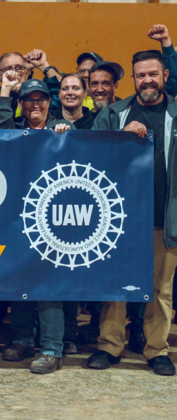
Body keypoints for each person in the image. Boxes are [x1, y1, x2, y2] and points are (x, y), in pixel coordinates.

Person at [88, 49, 177, 376]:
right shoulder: (115, 114)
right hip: (117, 219)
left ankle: (157, 350)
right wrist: (117, 140)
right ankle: (109, 346)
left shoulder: (176, 113)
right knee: (115, 286)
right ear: (133, 78)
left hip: (163, 218)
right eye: (140, 75)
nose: (147, 80)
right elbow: (89, 154)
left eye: (153, 74)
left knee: (160, 290)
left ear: (165, 76)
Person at [0, 76, 72, 374]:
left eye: (40, 99)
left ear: (49, 103)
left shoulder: (62, 131)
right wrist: (4, 93)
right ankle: (23, 338)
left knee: (48, 284)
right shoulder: (13, 132)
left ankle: (52, 348)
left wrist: (68, 133)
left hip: (51, 221)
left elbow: (85, 152)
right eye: (28, 99)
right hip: (14, 218)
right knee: (20, 281)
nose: (35, 104)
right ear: (21, 105)